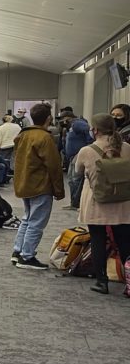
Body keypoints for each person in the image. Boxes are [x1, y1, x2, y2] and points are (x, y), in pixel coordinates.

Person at [74, 114, 130, 294]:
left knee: (97, 239)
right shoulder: (127, 147)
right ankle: (129, 281)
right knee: (125, 241)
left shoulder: (87, 150)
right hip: (123, 201)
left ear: (95, 130)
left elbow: (77, 171)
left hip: (97, 201)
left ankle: (101, 281)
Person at [11, 103, 64, 270]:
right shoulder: (44, 137)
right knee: (36, 223)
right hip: (41, 185)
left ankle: (18, 252)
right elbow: (54, 166)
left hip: (24, 183)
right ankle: (27, 256)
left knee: (27, 219)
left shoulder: (22, 135)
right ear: (48, 118)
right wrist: (59, 190)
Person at [63, 114, 90, 210]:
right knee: (72, 181)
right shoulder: (71, 127)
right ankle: (74, 203)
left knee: (75, 180)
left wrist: (83, 151)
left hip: (77, 156)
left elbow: (88, 131)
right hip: (72, 157)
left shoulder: (77, 123)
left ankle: (77, 203)